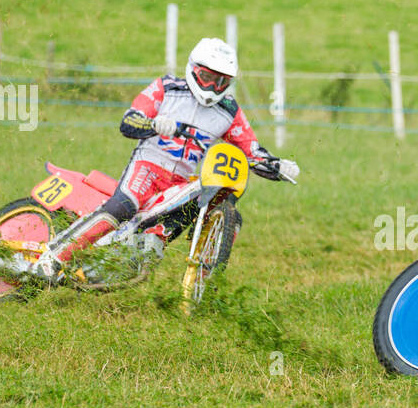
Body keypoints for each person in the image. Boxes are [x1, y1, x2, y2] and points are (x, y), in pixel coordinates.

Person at [28, 37, 299, 282]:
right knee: (123, 206)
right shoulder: (166, 88)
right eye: (206, 77)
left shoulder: (229, 111)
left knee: (182, 216)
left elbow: (250, 149)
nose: (213, 86)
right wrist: (155, 124)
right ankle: (52, 257)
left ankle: (184, 276)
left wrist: (278, 164)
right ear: (193, 69)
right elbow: (129, 121)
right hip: (147, 165)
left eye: (221, 82)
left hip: (181, 181)